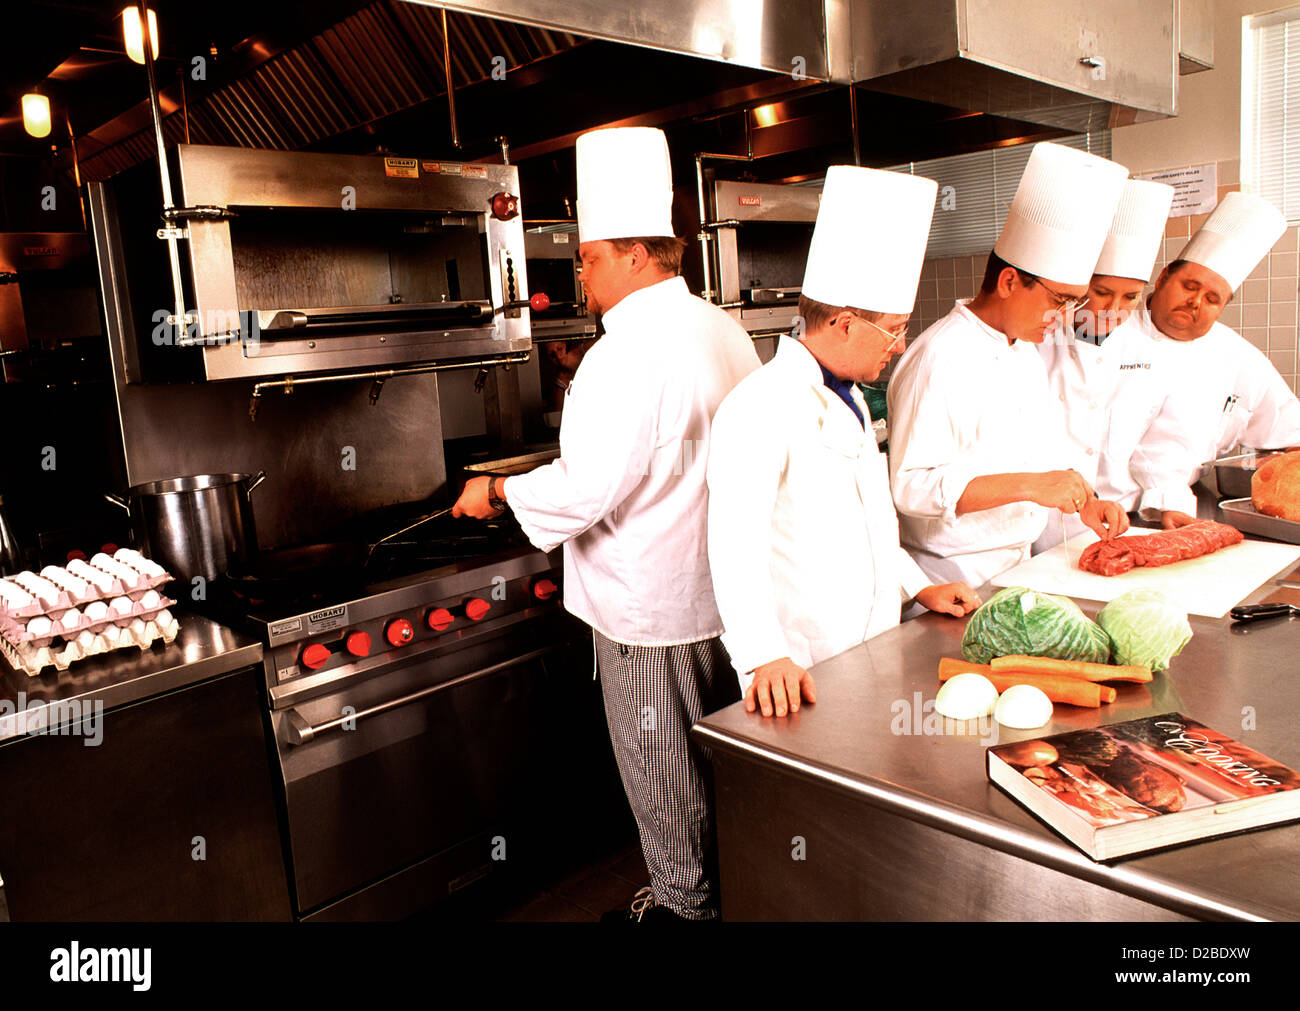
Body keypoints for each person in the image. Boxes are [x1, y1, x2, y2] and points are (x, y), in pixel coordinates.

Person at [452, 127, 759, 923]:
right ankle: (732, 891)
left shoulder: (623, 352)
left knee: (664, 772)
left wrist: (498, 493)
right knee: (722, 765)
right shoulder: (724, 330)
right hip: (727, 601)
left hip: (649, 610)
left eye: (587, 258)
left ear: (633, 254)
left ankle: (683, 909)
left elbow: (589, 486)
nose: (580, 276)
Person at [706, 166, 980, 720]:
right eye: (894, 330)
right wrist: (764, 654)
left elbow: (869, 522)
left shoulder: (851, 397)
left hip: (869, 649)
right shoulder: (760, 404)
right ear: (847, 323)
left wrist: (917, 585)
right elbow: (733, 541)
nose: (900, 347)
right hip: (799, 667)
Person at [887, 142, 1131, 588]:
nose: (1065, 316)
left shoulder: (1023, 351)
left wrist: (1086, 500)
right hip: (957, 577)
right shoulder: (940, 356)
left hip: (1021, 567)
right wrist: (1030, 485)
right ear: (1008, 281)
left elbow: (1042, 455)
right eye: (1058, 301)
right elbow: (911, 487)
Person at [1123, 192, 1300, 527]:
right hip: (1106, 509)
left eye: (1212, 298)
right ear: (1162, 280)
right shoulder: (1110, 336)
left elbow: (1289, 426)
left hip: (1185, 509)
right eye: (1189, 286)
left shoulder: (1236, 354)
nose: (1195, 302)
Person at [1033, 178, 1175, 552]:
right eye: (1102, 293)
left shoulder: (1149, 354)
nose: (1114, 310)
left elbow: (1154, 442)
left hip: (1118, 522)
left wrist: (1167, 498)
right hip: (1038, 523)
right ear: (1081, 286)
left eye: (1130, 297)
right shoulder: (1035, 341)